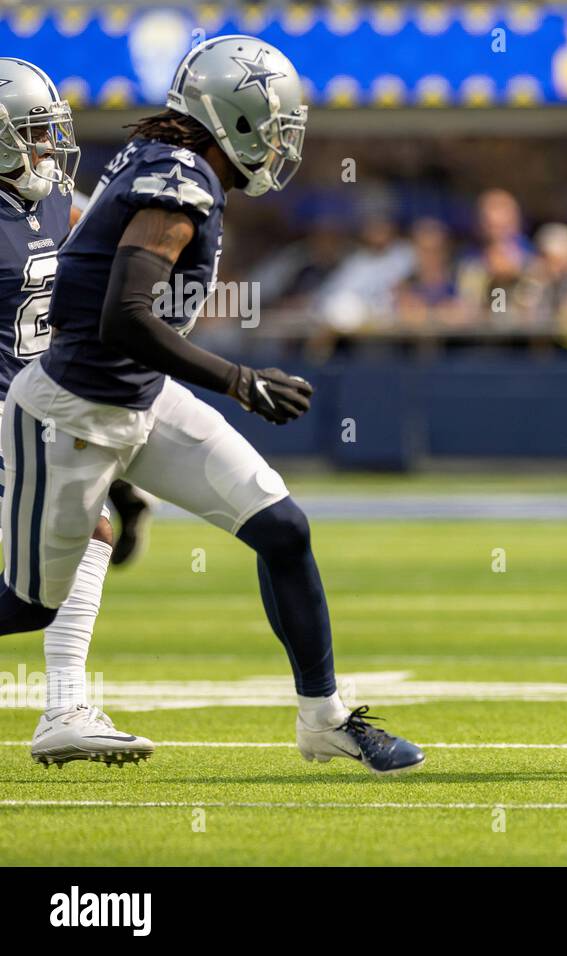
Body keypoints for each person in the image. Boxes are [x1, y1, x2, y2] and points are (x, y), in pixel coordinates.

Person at [0, 37, 423, 775]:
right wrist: (237, 379)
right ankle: (64, 707)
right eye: (277, 120)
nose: (284, 137)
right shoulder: (178, 179)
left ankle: (322, 719)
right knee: (28, 605)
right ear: (238, 114)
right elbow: (123, 315)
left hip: (136, 394)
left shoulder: (177, 164)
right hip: (71, 410)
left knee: (283, 527)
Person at [0, 57, 154, 766]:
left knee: (82, 530)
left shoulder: (57, 196)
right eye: (32, 132)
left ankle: (63, 707)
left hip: (36, 409)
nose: (47, 147)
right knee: (78, 532)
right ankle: (63, 708)